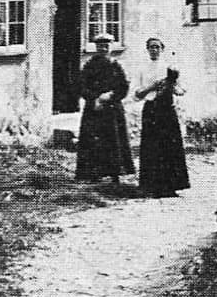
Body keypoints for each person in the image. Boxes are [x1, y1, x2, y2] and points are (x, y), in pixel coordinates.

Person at [133, 36, 190, 197]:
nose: (154, 50)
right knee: (151, 146)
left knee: (170, 146)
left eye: (157, 47)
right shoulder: (142, 68)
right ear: (147, 49)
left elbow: (182, 90)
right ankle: (151, 185)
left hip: (167, 110)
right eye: (151, 47)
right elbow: (136, 94)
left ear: (162, 49)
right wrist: (152, 86)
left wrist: (171, 85)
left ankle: (171, 185)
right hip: (151, 109)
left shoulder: (170, 68)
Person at [76, 32, 135, 184]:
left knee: (113, 139)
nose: (103, 48)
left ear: (111, 47)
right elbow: (81, 87)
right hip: (94, 108)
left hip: (112, 109)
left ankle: (115, 173)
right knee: (93, 141)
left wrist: (110, 96)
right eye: (100, 46)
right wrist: (95, 98)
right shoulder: (89, 66)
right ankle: (93, 173)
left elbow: (123, 87)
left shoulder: (116, 65)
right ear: (96, 48)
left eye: (106, 46)